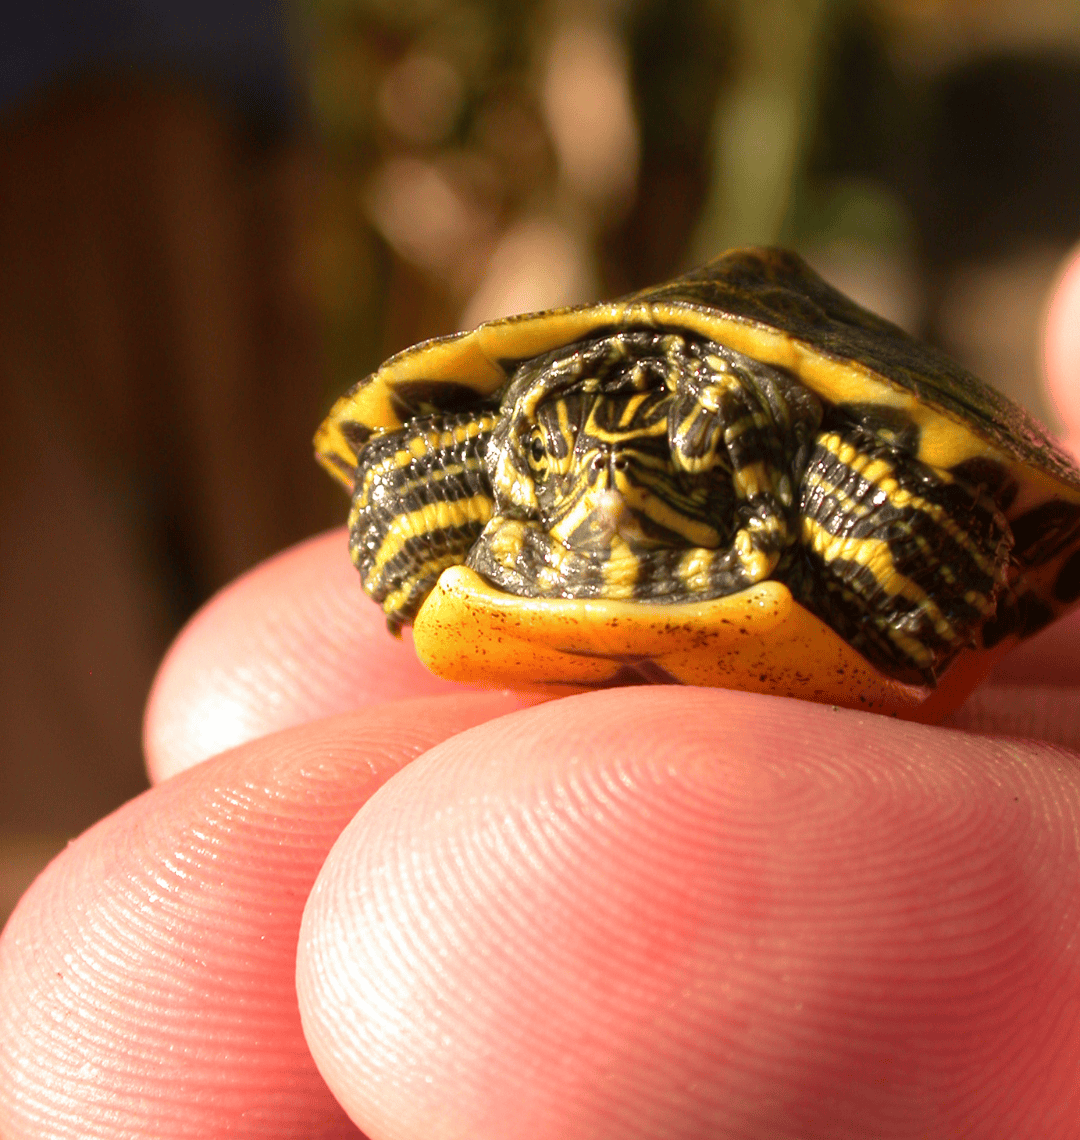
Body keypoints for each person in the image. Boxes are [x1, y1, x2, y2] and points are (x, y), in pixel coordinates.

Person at [1, 252, 1079, 1139]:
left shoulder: (823, 473)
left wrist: (918, 570)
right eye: (565, 450)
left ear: (740, 450)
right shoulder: (525, 474)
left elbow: (957, 529)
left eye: (670, 453)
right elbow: (395, 480)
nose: (610, 475)